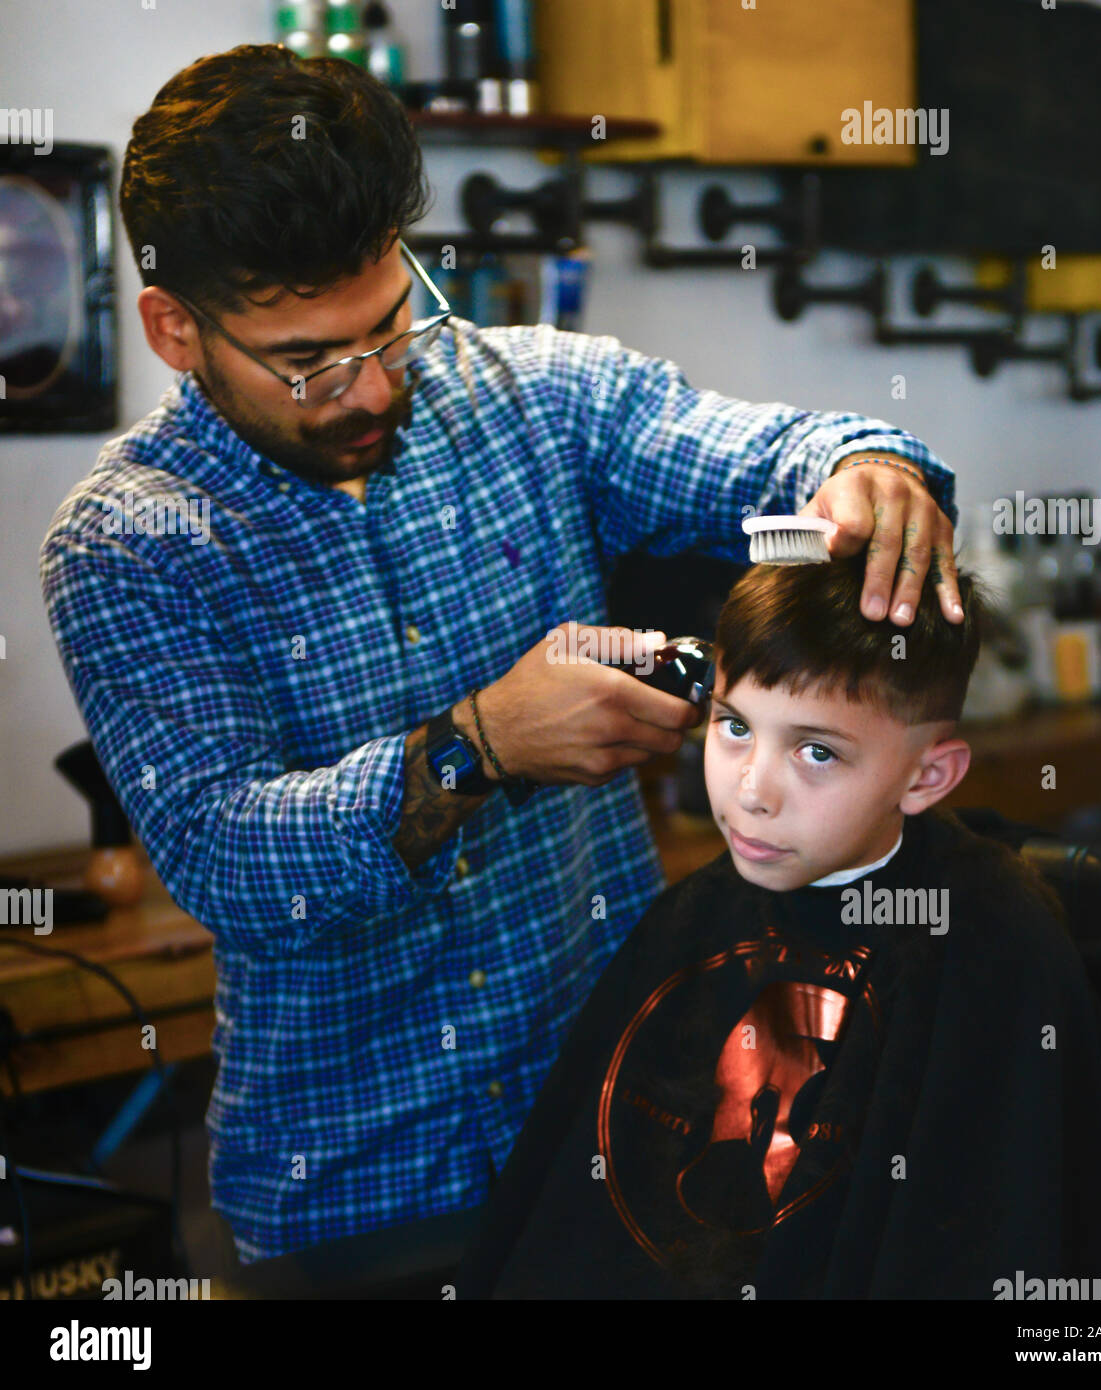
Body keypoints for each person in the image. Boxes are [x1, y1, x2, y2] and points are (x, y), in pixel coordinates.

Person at [39, 43, 964, 1265]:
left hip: (617, 1127)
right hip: (358, 1191)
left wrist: (865, 469)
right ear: (173, 327)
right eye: (310, 364)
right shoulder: (128, 542)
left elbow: (769, 449)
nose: (371, 388)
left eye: (391, 326)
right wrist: (484, 747)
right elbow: (229, 863)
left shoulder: (539, 399)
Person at [455, 552, 1101, 1299]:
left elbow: (970, 1243)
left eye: (816, 751)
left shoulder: (991, 943)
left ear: (927, 777)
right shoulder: (697, 910)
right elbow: (561, 1224)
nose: (752, 790)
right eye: (733, 726)